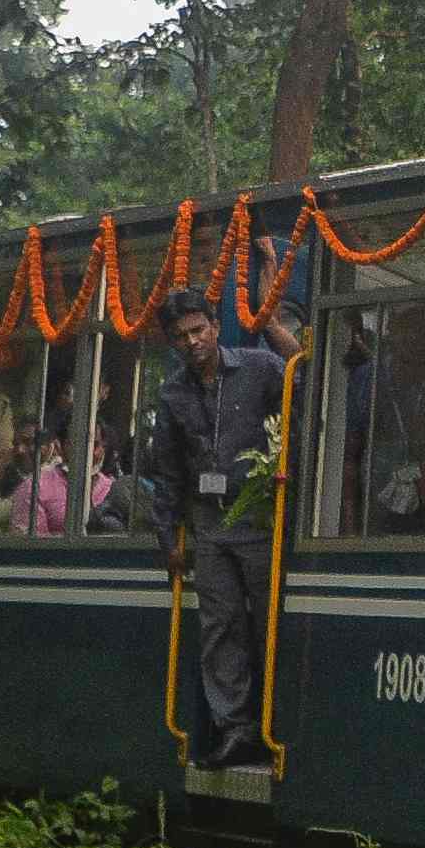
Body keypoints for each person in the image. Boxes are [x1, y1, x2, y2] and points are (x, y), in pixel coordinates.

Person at [140, 284, 299, 769]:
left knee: (269, 620)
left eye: (197, 330)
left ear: (214, 326)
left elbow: (303, 375)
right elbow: (166, 473)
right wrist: (169, 540)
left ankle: (278, 721)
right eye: (180, 335)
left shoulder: (256, 367)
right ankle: (235, 729)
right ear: (171, 341)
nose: (191, 341)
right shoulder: (171, 393)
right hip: (207, 523)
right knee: (219, 625)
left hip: (258, 517)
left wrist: (274, 324)